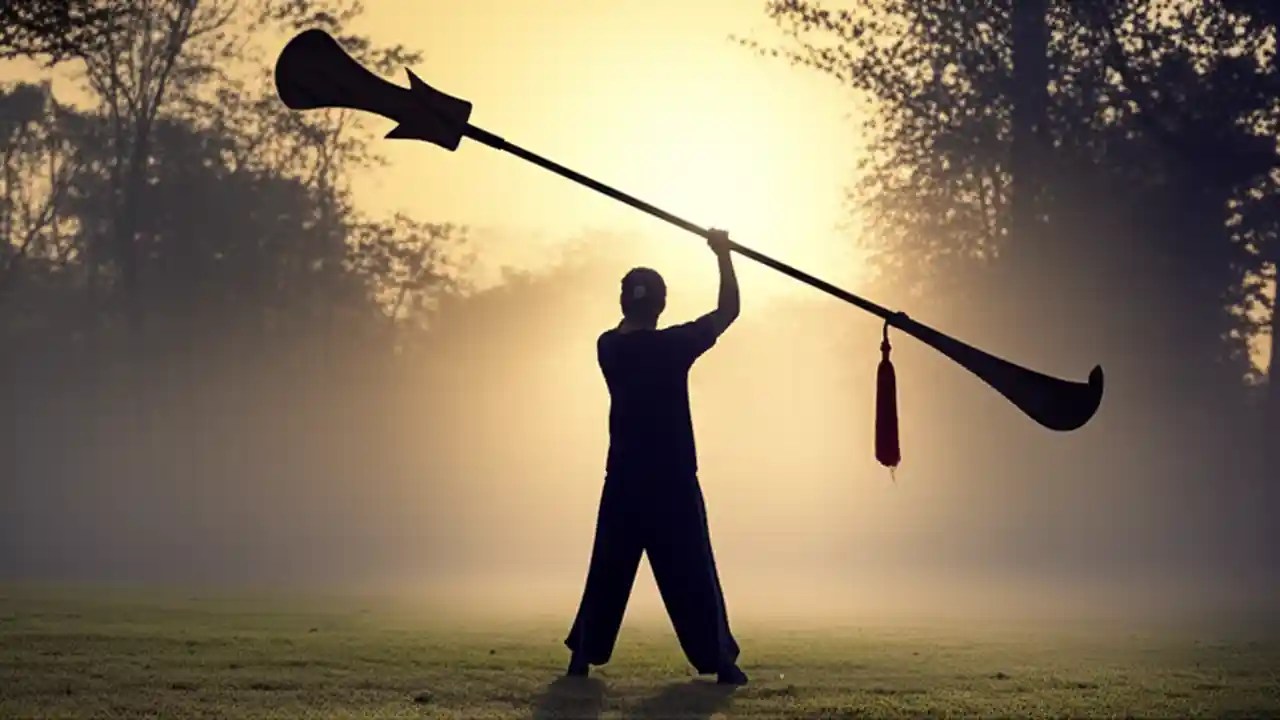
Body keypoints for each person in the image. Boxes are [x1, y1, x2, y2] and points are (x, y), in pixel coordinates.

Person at [563, 228, 747, 685]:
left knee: (608, 567)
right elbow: (729, 310)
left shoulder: (609, 346)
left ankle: (581, 658)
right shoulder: (673, 346)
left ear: (624, 304)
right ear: (660, 306)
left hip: (624, 478)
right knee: (693, 572)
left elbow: (631, 327)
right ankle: (721, 662)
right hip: (672, 480)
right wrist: (723, 254)